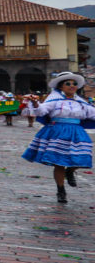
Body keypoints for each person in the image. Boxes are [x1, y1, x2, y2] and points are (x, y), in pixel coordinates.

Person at [23, 72, 93, 203]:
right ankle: (61, 190)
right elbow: (42, 111)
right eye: (68, 83)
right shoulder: (54, 99)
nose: (72, 86)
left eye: (74, 83)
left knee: (83, 157)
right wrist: (36, 104)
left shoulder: (81, 102)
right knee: (59, 163)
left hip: (77, 133)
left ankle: (70, 171)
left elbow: (92, 114)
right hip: (58, 132)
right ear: (61, 87)